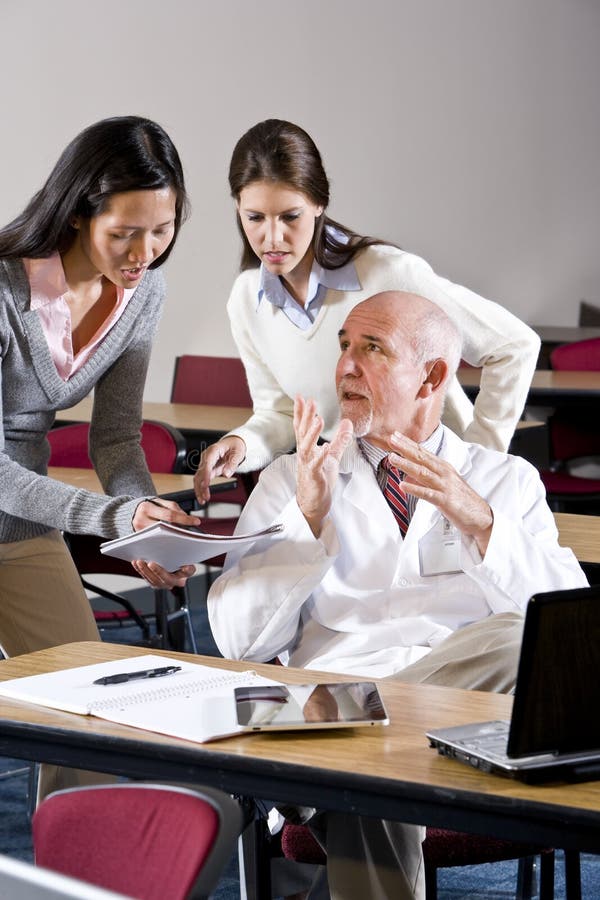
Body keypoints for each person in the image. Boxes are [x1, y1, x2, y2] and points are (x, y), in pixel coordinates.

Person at [208, 291, 587, 899]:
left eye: (373, 349)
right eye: (343, 347)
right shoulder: (291, 477)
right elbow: (238, 640)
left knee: (522, 637)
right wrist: (309, 522)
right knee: (377, 775)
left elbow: (571, 629)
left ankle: (331, 761)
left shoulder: (502, 481)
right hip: (328, 709)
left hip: (448, 731)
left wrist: (483, 524)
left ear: (433, 376)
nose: (346, 367)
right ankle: (356, 743)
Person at [0, 117, 202, 795]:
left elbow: (116, 436)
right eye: (125, 232)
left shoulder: (143, 292)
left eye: (163, 230)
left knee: (82, 704)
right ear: (80, 210)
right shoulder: (3, 287)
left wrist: (147, 524)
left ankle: (69, 869)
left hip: (18, 525)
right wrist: (117, 517)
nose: (144, 251)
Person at [195, 118, 540, 503]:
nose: (272, 237)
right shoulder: (246, 300)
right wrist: (241, 444)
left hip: (437, 489)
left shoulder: (387, 272)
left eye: (290, 216)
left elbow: (515, 346)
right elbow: (279, 415)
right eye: (255, 218)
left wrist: (479, 463)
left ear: (319, 204)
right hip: (356, 489)